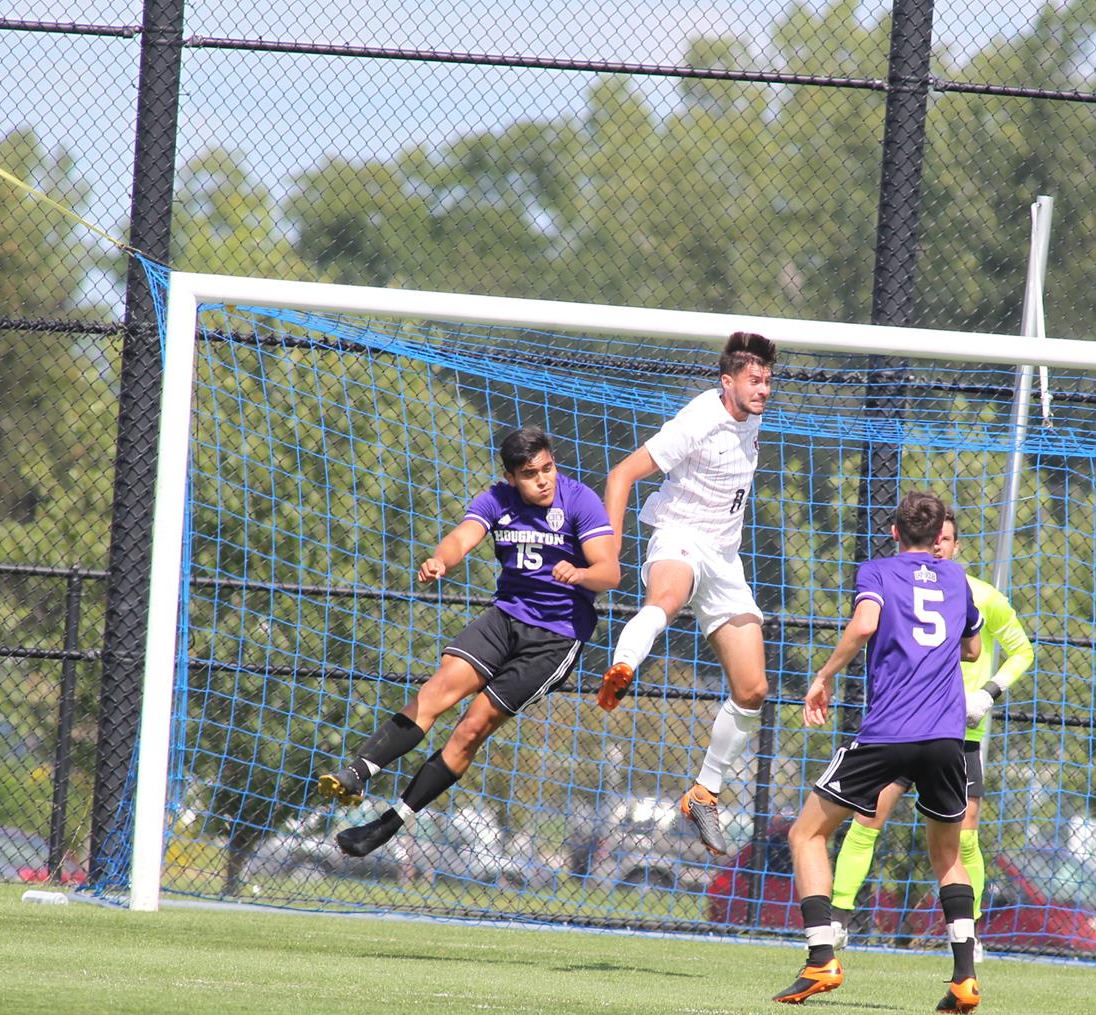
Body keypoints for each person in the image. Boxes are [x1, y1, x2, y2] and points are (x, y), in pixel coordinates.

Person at [317, 426, 619, 854]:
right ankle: (358, 772)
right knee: (437, 690)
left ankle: (385, 826)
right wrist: (440, 560)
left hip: (556, 637)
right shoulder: (496, 499)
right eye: (530, 474)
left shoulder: (579, 500)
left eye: (548, 468)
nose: (543, 480)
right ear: (511, 477)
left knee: (471, 727)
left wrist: (582, 573)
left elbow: (610, 572)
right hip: (504, 617)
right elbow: (462, 537)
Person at [772, 492, 984, 1013]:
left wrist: (824, 676)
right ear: (938, 537)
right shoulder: (957, 579)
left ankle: (821, 957)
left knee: (806, 833)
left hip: (888, 733)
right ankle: (965, 978)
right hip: (946, 737)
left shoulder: (877, 571)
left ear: (894, 532)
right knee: (948, 855)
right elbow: (972, 648)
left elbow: (865, 624)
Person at [593, 333, 776, 856]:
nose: (763, 389)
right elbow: (622, 474)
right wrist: (609, 551)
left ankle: (703, 793)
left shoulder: (751, 416)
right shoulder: (698, 420)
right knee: (667, 600)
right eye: (754, 380)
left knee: (753, 690)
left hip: (725, 560)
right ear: (726, 382)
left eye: (768, 381)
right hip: (679, 537)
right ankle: (623, 667)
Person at [827, 513, 1033, 947]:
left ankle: (968, 934)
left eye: (947, 539)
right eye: (935, 537)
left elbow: (1021, 651)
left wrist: (988, 693)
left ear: (957, 547)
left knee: (964, 838)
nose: (939, 545)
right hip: (904, 724)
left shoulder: (979, 594)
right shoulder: (900, 585)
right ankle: (838, 920)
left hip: (958, 735)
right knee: (866, 819)